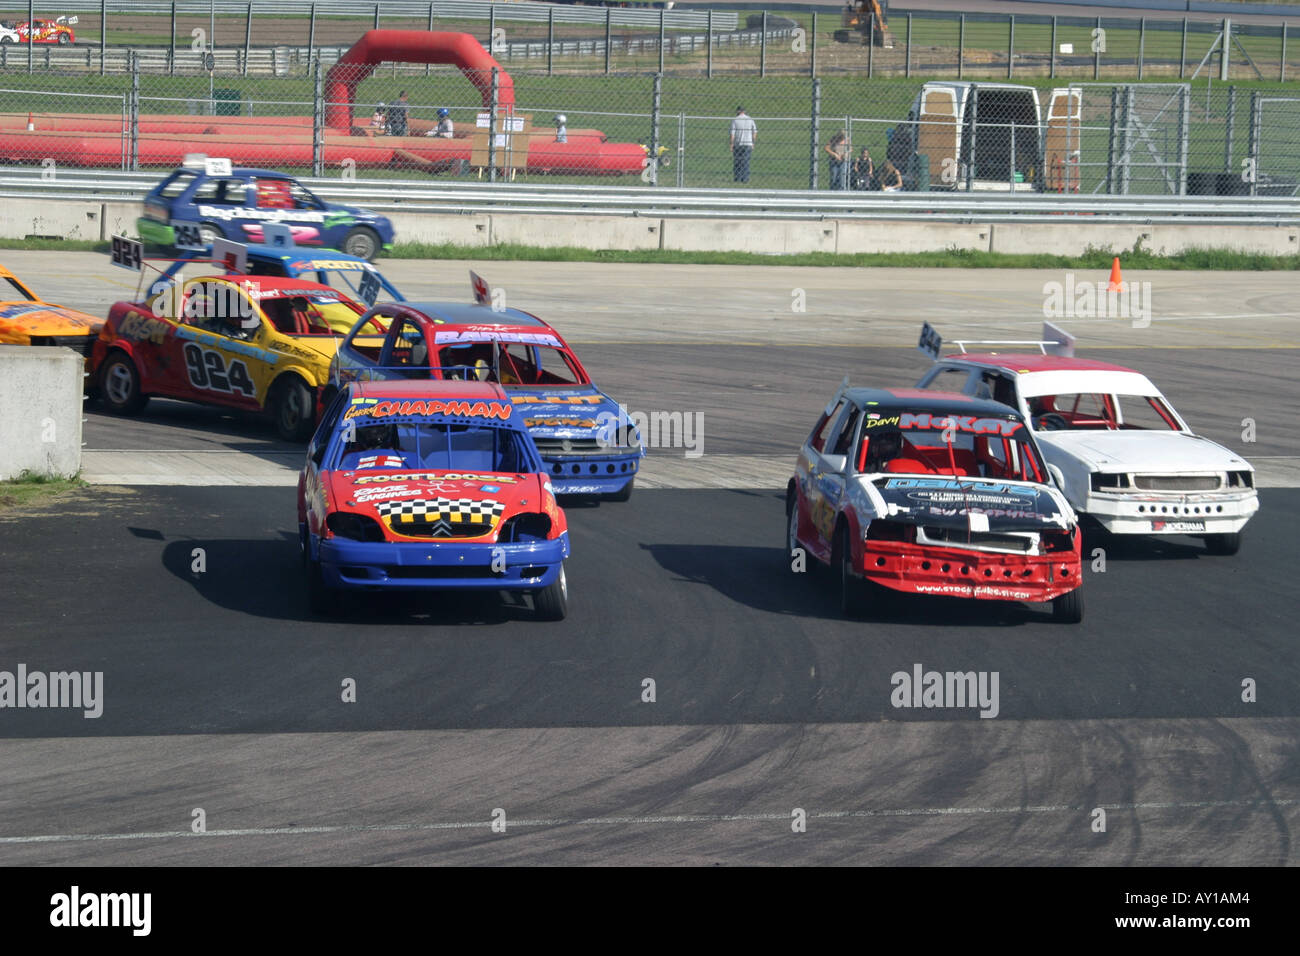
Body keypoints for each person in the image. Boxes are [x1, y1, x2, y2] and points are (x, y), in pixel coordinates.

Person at [730, 106, 756, 184]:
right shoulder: (750, 119)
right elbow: (754, 132)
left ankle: (737, 178)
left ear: (738, 111)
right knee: (746, 162)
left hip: (738, 144)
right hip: (748, 143)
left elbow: (732, 134)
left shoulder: (735, 120)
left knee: (737, 162)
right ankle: (745, 179)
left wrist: (731, 144)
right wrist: (753, 143)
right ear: (744, 111)